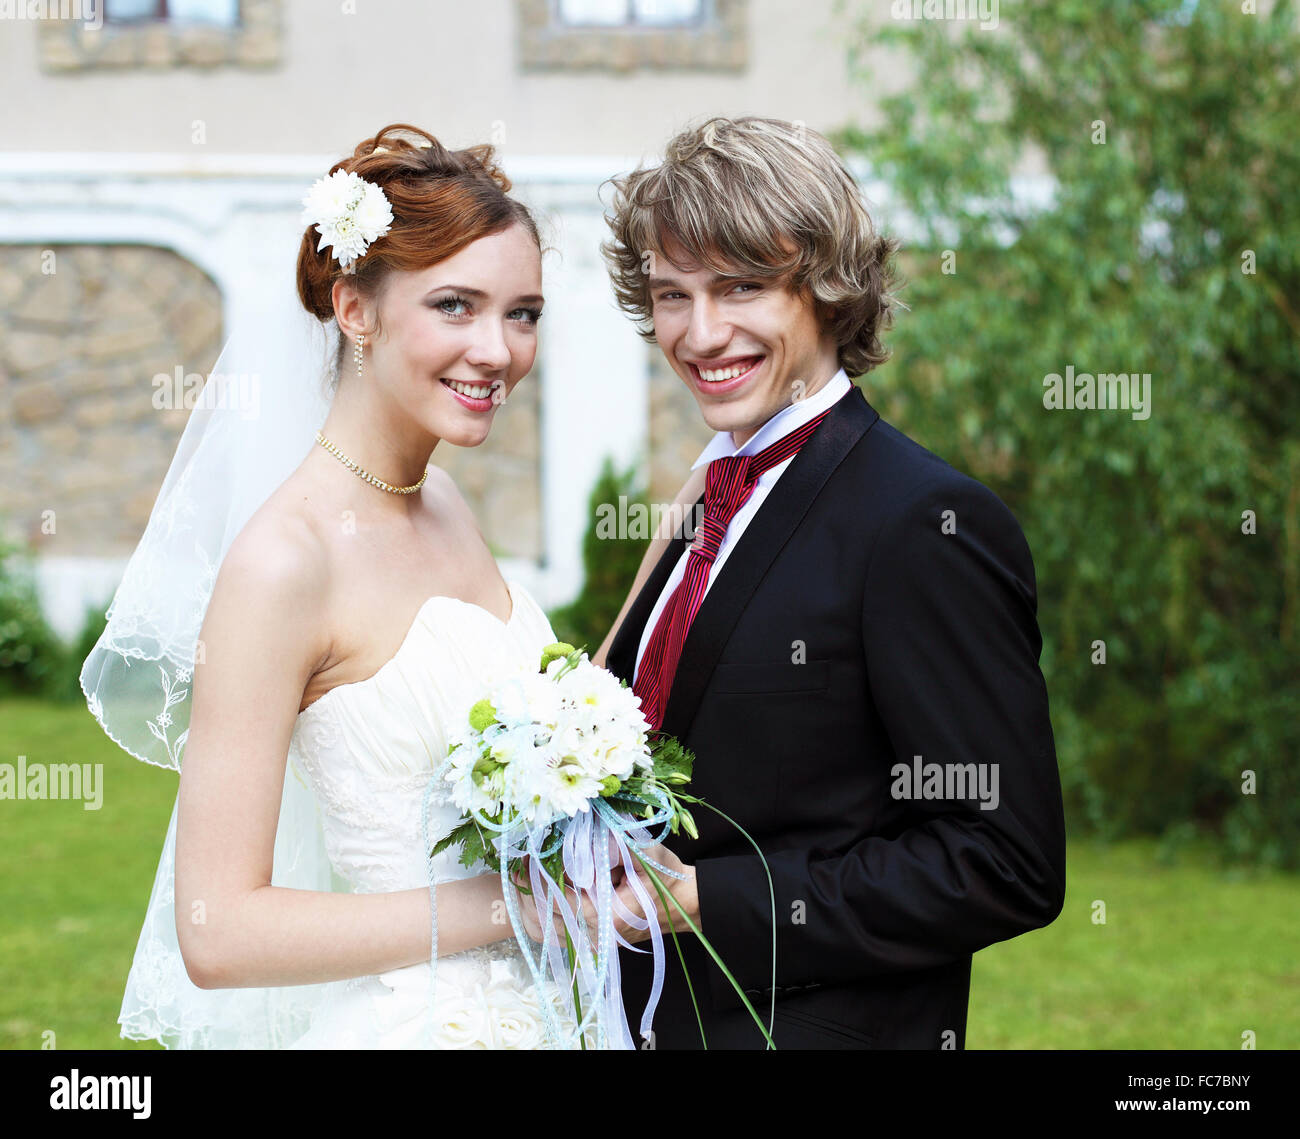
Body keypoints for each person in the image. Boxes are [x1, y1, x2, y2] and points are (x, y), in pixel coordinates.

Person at [82, 124, 589, 1049]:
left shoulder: (440, 500)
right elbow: (218, 931)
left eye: (523, 313)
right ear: (354, 308)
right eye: (455, 306)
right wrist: (516, 906)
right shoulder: (282, 564)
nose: (498, 349)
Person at [591, 115, 1068, 1049]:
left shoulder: (924, 523)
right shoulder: (710, 491)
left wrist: (707, 898)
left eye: (740, 287)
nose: (700, 332)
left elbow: (1002, 860)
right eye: (672, 294)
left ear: (827, 289)